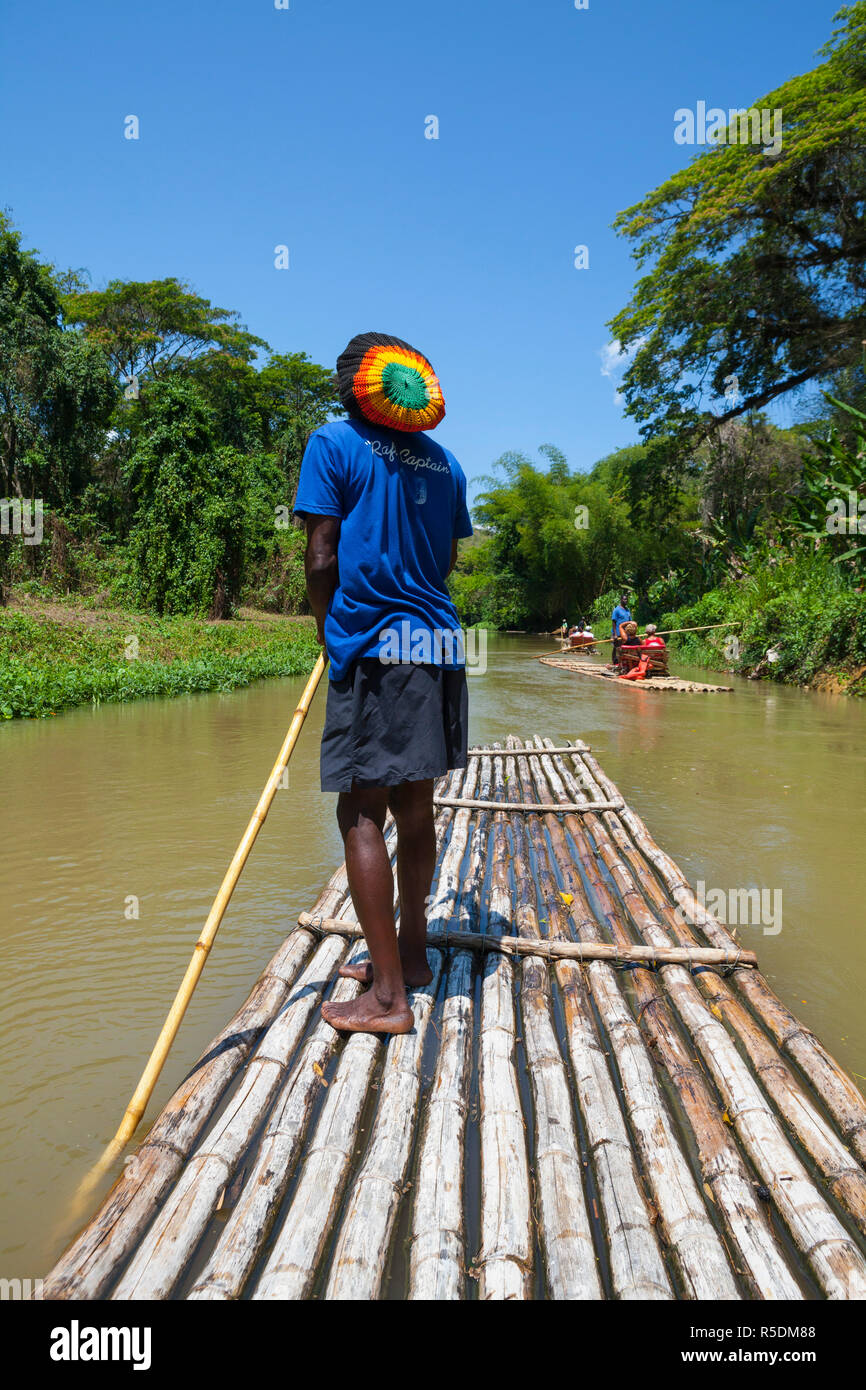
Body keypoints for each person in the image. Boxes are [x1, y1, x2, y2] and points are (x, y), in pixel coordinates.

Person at [294, 332, 473, 1035]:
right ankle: (413, 957)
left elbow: (320, 555)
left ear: (351, 386)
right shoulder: (446, 461)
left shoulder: (333, 444)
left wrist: (325, 626)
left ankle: (389, 999)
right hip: (434, 644)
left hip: (373, 646)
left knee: (361, 813)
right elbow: (446, 557)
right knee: (416, 808)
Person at [610, 594, 631, 667]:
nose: (626, 601)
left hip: (625, 634)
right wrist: (615, 634)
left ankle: (622, 663)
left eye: (626, 599)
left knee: (624, 648)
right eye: (624, 599)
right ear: (621, 600)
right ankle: (614, 662)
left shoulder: (627, 610)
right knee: (616, 648)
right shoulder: (617, 610)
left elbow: (629, 621)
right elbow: (614, 622)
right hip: (618, 633)